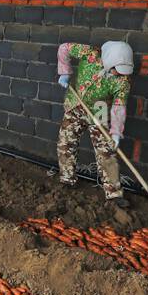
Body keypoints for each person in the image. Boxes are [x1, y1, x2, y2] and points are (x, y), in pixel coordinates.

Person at [55, 40, 134, 208]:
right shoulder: (90, 53)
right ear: (110, 61)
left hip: (100, 110)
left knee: (106, 152)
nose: (119, 74)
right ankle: (67, 180)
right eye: (116, 70)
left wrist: (116, 132)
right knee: (66, 143)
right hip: (76, 104)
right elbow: (64, 48)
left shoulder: (123, 82)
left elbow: (119, 107)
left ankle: (113, 193)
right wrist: (65, 72)